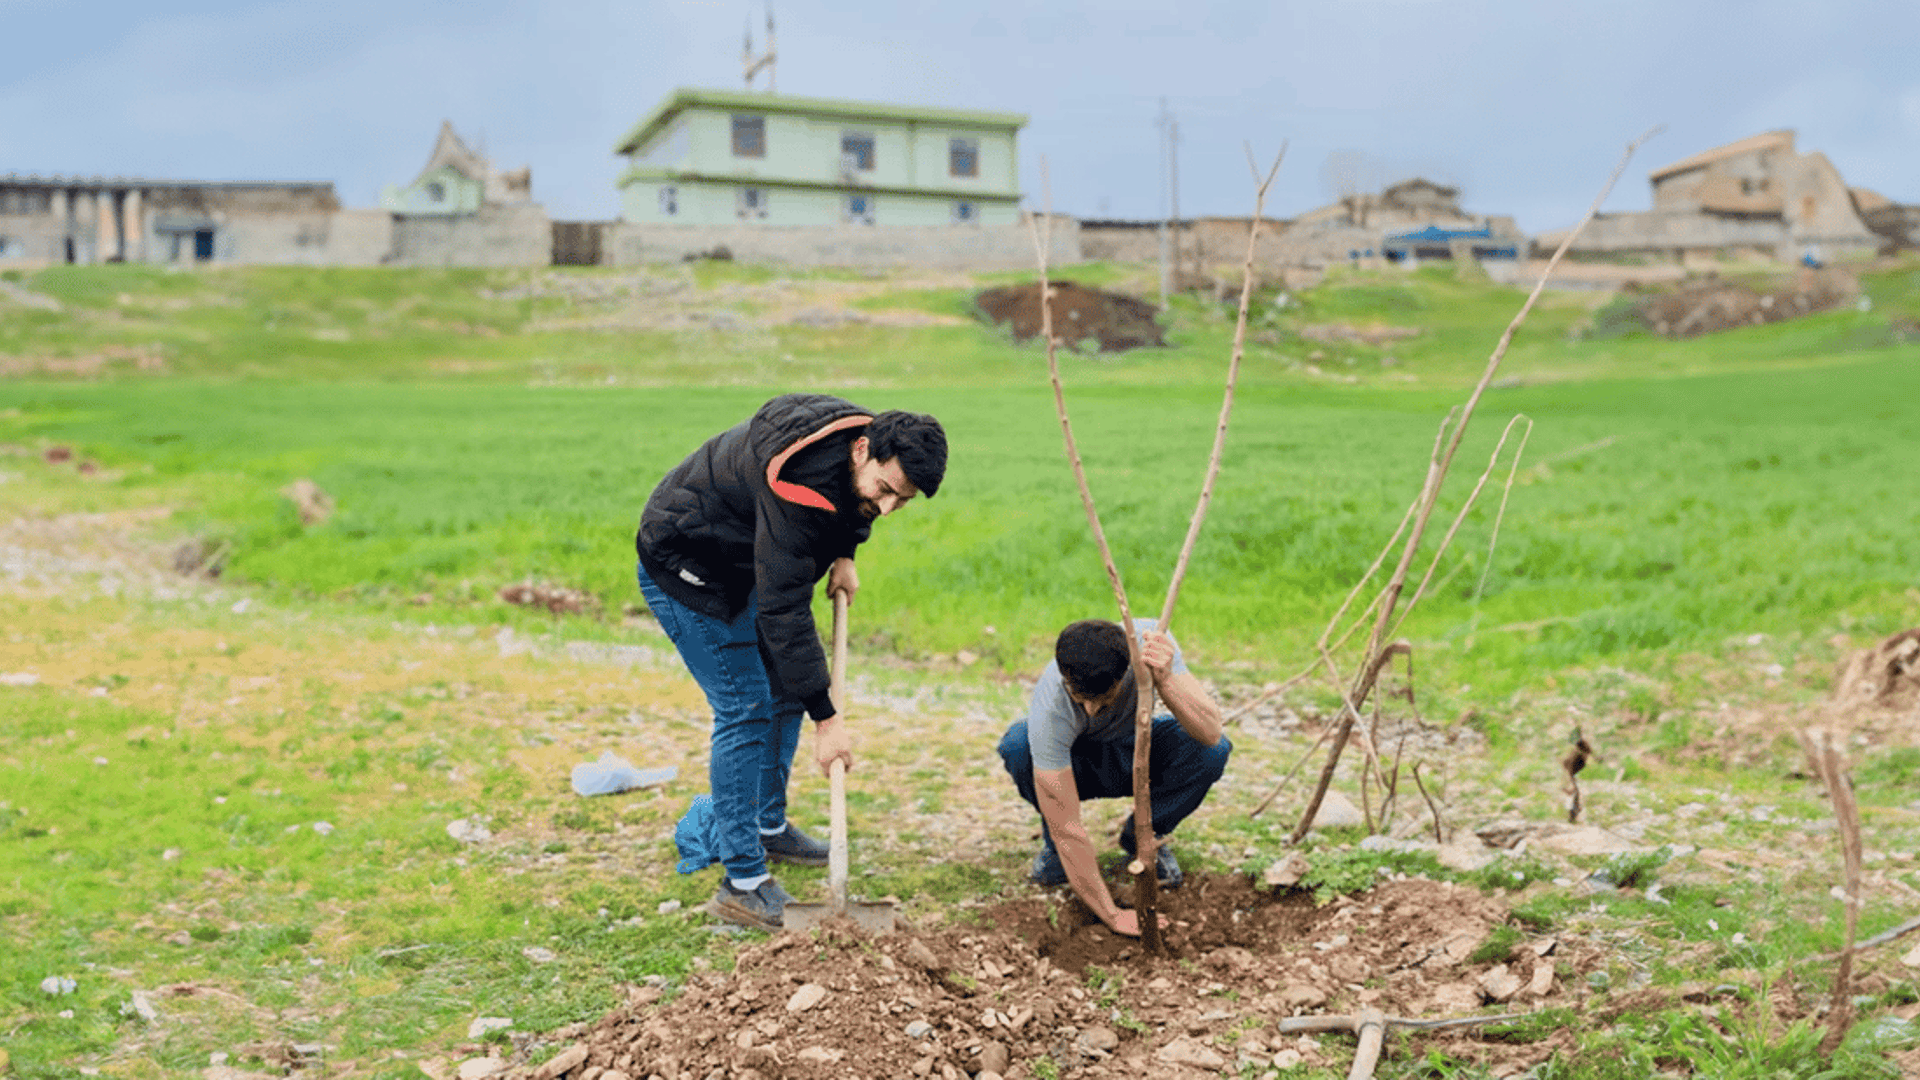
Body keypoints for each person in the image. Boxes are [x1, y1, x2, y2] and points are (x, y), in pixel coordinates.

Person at [637, 393, 947, 930]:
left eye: (906, 499)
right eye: (887, 490)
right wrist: (829, 721)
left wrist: (847, 552)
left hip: (746, 557)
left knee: (785, 691)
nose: (891, 506)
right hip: (687, 562)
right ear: (862, 451)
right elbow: (784, 611)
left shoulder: (856, 443)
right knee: (746, 706)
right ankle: (743, 883)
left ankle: (766, 824)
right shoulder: (792, 486)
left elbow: (852, 506)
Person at [997, 618, 1229, 937]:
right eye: (1081, 701)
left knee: (1209, 752)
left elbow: (1212, 732)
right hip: (1079, 765)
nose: (1091, 711)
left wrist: (1165, 679)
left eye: (1102, 699)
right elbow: (1069, 829)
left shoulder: (1152, 644)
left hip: (1136, 750)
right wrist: (1113, 916)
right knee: (1020, 745)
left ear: (1125, 673)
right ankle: (1055, 853)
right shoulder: (1050, 709)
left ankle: (1143, 838)